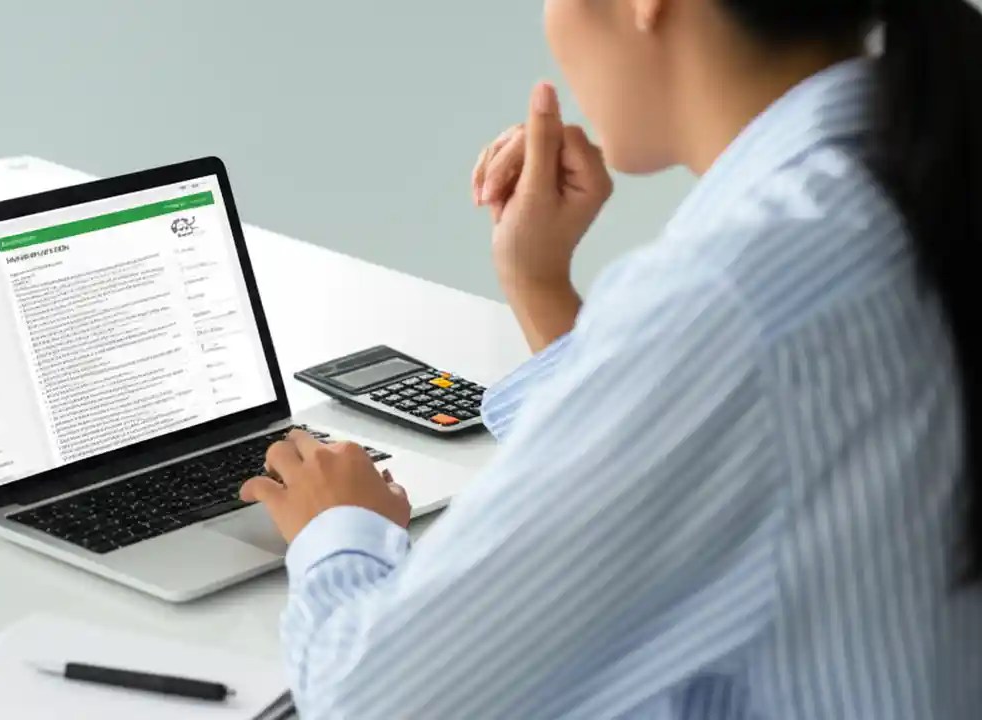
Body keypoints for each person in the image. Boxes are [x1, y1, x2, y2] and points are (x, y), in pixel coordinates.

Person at [239, 0, 982, 717]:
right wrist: (537, 280)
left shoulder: (738, 293)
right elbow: (719, 467)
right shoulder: (908, 184)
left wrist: (336, 531)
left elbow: (376, 701)